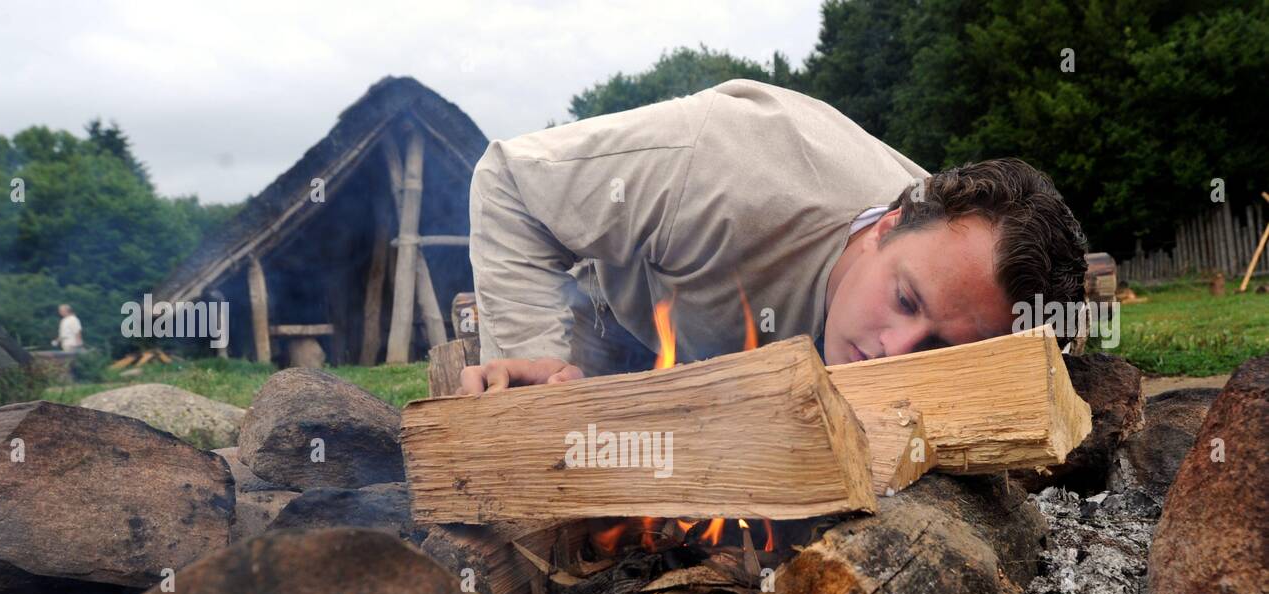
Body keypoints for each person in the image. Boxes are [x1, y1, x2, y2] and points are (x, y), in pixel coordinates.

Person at [459, 79, 1086, 394]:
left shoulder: (962, 266)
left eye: (937, 349)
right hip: (616, 318)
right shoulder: (718, 166)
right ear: (888, 226)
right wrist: (534, 357)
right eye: (904, 301)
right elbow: (510, 181)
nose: (895, 351)